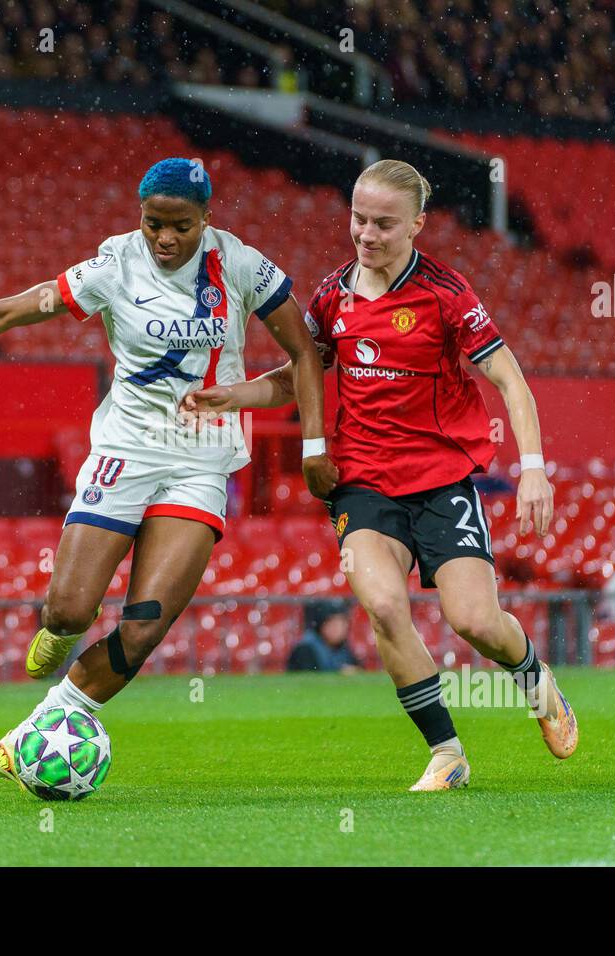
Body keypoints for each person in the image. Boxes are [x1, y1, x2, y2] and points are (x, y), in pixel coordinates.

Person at [0, 157, 333, 791]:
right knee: (68, 610)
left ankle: (36, 728)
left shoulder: (245, 266)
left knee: (144, 627)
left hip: (202, 461)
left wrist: (313, 444)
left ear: (207, 219)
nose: (166, 239)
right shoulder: (112, 265)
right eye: (153, 224)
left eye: (181, 226)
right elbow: (7, 314)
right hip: (125, 451)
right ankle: (59, 634)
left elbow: (304, 352)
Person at [184, 159, 577, 792]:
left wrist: (534, 470)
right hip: (362, 481)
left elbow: (510, 379)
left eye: (384, 224)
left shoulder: (447, 294)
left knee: (475, 620)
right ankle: (447, 753)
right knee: (385, 605)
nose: (366, 234)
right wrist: (230, 396)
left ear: (418, 224)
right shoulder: (332, 295)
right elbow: (297, 376)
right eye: (358, 219)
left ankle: (534, 679)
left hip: (442, 480)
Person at [287, 600, 360, 673]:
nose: (337, 629)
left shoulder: (344, 649)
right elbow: (308, 678)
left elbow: (359, 669)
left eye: (342, 623)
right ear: (321, 625)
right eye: (332, 623)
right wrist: (339, 673)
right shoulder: (305, 649)